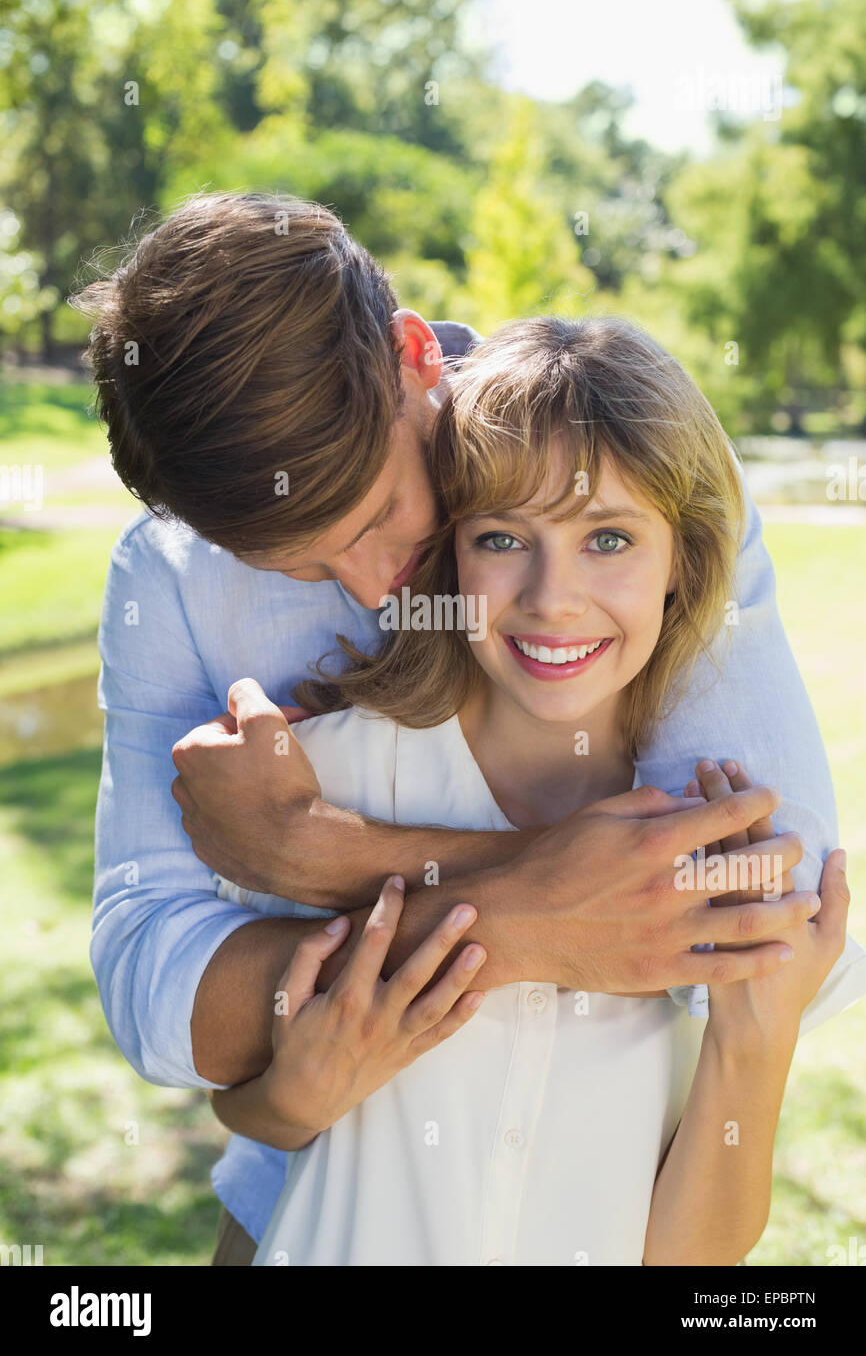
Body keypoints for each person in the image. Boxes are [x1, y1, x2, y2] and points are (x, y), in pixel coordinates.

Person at [72, 192, 846, 1264]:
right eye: (296, 566)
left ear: (410, 354)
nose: (374, 584)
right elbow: (159, 991)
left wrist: (323, 856)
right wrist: (532, 911)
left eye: (378, 511)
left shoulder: (616, 454)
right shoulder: (174, 585)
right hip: (303, 1211)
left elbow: (771, 915)